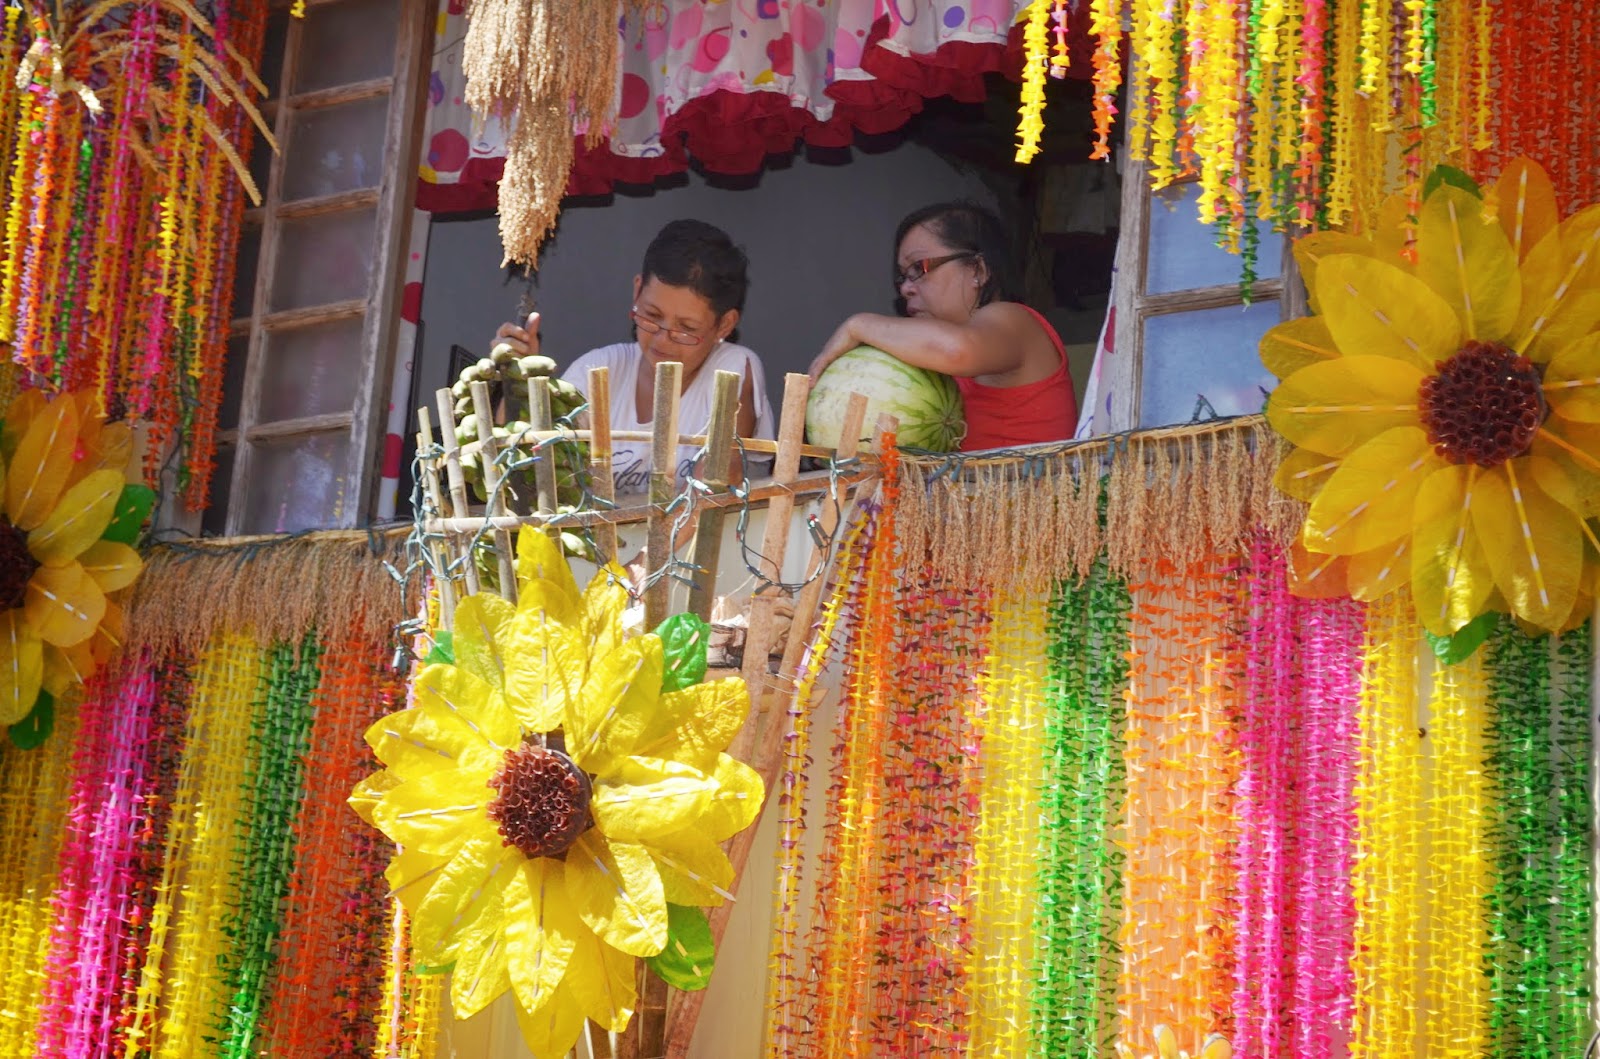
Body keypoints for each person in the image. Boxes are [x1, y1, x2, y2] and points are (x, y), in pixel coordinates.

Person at [493, 218, 774, 495]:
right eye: (652, 316)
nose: (663, 338)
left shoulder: (733, 368)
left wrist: (657, 543)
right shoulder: (598, 369)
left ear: (724, 324)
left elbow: (715, 481)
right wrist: (516, 382)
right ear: (637, 291)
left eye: (687, 329)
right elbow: (531, 461)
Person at [807, 201, 1077, 451]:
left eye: (919, 268)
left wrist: (858, 325)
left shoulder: (1015, 321)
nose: (905, 288)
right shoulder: (936, 360)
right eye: (902, 277)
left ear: (978, 271)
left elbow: (957, 350)